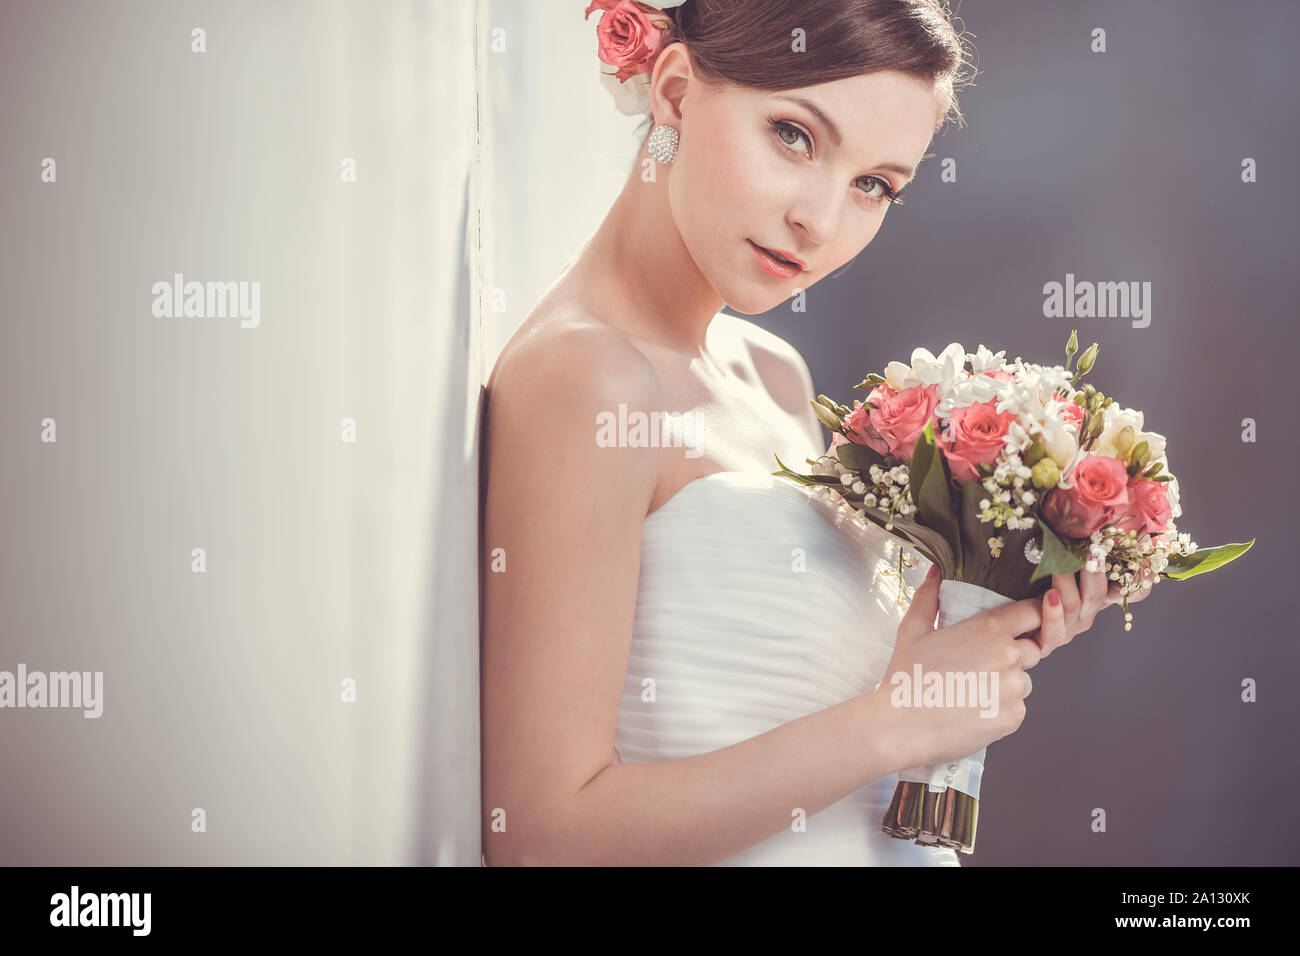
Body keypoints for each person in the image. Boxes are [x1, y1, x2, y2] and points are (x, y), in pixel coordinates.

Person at [480, 0, 1145, 866]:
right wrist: (898, 719)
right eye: (794, 135)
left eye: (874, 185)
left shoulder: (775, 373)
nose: (821, 221)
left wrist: (979, 620)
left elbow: (796, 716)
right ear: (675, 93)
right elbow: (541, 836)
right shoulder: (591, 379)